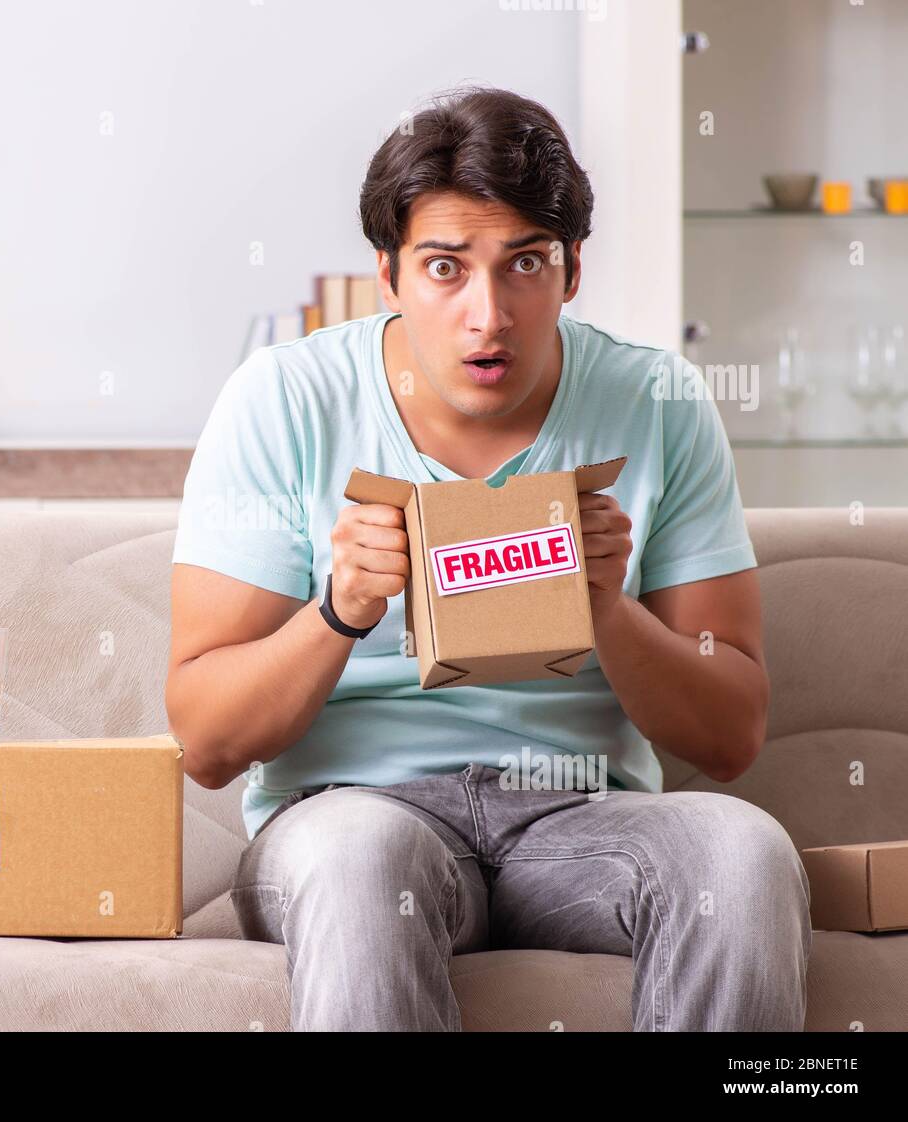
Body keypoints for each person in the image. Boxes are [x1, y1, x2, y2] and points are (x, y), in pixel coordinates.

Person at [165, 84, 811, 1031]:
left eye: (525, 264)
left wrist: (605, 606)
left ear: (572, 271)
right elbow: (207, 745)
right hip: (354, 811)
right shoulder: (282, 401)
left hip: (583, 817)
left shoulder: (655, 400)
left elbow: (730, 734)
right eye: (444, 268)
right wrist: (340, 610)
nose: (489, 314)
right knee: (359, 864)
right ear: (387, 276)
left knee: (743, 856)